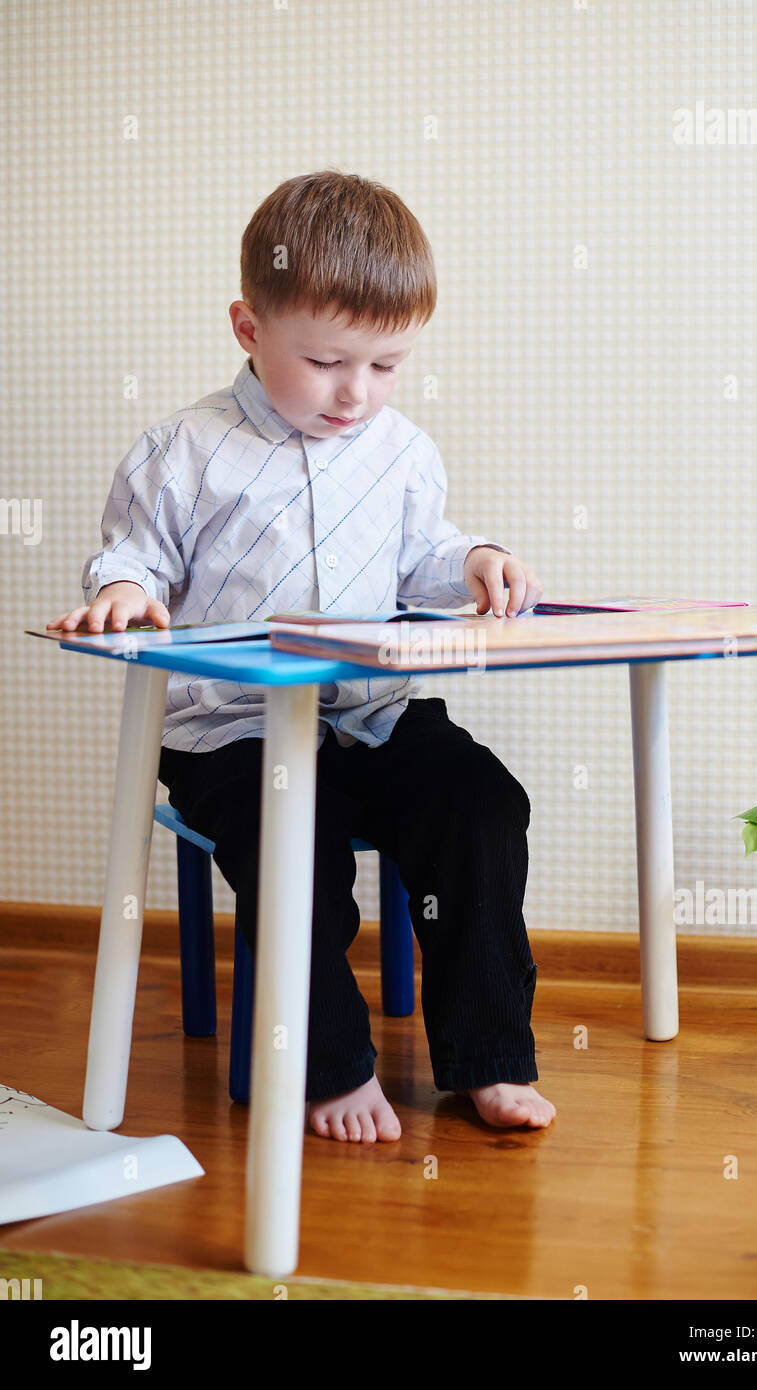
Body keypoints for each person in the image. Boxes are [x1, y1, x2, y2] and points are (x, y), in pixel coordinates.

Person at [48, 169, 556, 1143]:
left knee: (481, 801)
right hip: (231, 738)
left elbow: (426, 555)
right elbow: (133, 561)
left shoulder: (401, 451)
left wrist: (480, 559)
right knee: (297, 834)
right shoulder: (183, 453)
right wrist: (123, 594)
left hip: (372, 717)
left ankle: (488, 1058)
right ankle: (326, 1065)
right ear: (249, 327)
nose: (356, 392)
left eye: (386, 366)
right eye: (326, 360)